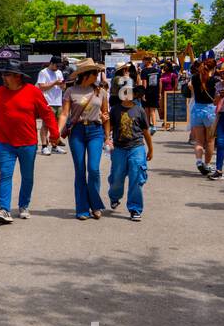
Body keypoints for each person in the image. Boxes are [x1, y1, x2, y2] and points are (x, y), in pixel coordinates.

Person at [0, 61, 52, 224]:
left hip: (27, 142)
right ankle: (4, 209)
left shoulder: (33, 92)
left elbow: (47, 113)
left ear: (17, 77)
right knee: (5, 175)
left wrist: (55, 133)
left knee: (27, 176)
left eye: (6, 74)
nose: (3, 77)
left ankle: (23, 205)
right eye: (3, 74)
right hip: (5, 143)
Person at [57, 58, 110, 220]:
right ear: (87, 74)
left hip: (95, 131)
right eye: (96, 73)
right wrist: (57, 133)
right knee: (80, 170)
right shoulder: (71, 91)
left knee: (93, 169)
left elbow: (106, 115)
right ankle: (82, 208)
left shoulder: (101, 92)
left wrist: (108, 137)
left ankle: (95, 205)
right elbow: (65, 114)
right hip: (77, 132)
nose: (98, 76)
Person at [108, 81, 153, 221]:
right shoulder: (114, 110)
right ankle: (114, 196)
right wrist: (105, 139)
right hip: (119, 148)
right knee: (117, 177)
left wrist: (150, 149)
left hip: (136, 147)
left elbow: (145, 131)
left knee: (137, 176)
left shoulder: (139, 110)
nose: (127, 95)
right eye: (125, 92)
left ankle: (135, 208)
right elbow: (109, 127)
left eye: (130, 92)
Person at [188, 59, 219, 178]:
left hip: (197, 110)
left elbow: (190, 87)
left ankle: (199, 161)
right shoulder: (215, 80)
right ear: (214, 68)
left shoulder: (195, 78)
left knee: (199, 141)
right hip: (210, 110)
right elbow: (217, 98)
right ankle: (207, 164)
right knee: (210, 141)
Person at [35, 56, 66, 155]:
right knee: (45, 125)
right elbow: (42, 87)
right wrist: (54, 83)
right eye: (56, 65)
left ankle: (54, 145)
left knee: (57, 125)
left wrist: (62, 85)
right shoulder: (43, 72)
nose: (57, 67)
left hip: (58, 102)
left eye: (59, 66)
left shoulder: (59, 72)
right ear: (51, 63)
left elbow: (63, 87)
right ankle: (44, 146)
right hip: (47, 102)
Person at [139, 54, 161, 131]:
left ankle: (148, 126)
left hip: (147, 92)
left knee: (147, 110)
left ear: (147, 61)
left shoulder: (144, 71)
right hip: (155, 92)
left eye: (143, 60)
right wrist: (159, 92)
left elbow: (144, 83)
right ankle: (154, 126)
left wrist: (143, 93)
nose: (143, 62)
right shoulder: (157, 70)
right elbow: (159, 82)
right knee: (153, 111)